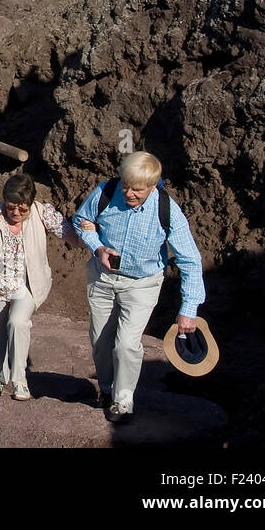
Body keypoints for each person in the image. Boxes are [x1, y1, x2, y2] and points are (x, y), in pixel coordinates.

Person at [71, 151, 207, 423]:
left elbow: (190, 261)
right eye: (125, 185)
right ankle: (107, 390)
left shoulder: (167, 209)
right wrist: (97, 248)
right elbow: (81, 222)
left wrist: (188, 309)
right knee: (101, 341)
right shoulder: (106, 192)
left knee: (127, 345)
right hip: (103, 279)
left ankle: (123, 400)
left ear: (153, 185)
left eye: (137, 189)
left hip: (142, 285)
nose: (129, 193)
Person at [0, 174, 81, 401]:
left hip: (27, 284)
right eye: (11, 208)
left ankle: (20, 380)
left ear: (31, 204)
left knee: (18, 323)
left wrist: (89, 232)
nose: (17, 214)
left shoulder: (42, 212)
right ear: (4, 202)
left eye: (23, 209)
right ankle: (0, 374)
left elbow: (72, 236)